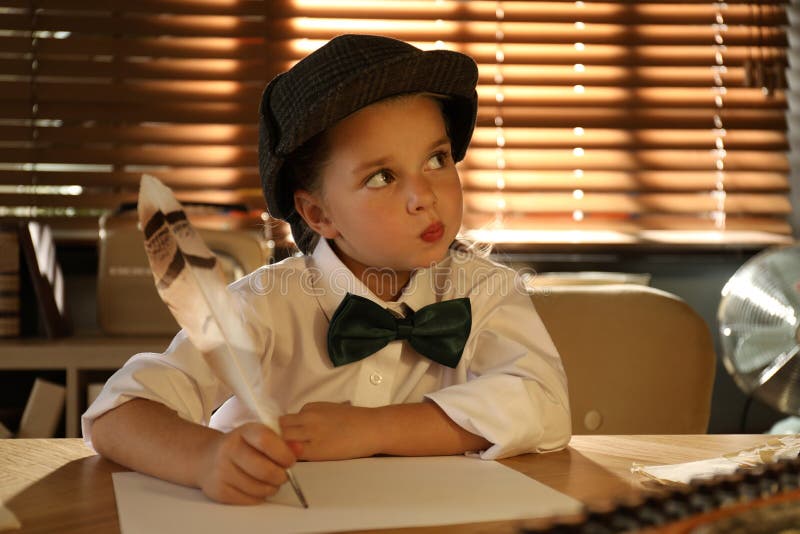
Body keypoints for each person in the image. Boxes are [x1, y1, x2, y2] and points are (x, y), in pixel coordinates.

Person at [83, 34, 571, 506]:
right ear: (318, 214)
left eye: (436, 158)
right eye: (382, 176)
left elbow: (543, 405)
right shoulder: (262, 306)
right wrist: (207, 459)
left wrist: (374, 428)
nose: (424, 195)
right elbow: (117, 412)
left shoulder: (486, 291)